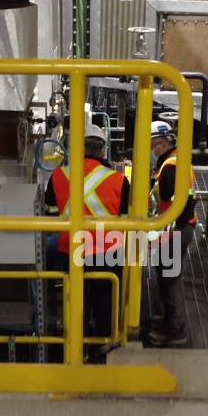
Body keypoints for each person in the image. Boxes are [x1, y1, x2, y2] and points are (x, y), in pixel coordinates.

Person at [45, 123, 131, 360]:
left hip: (71, 250)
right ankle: (104, 341)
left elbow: (50, 210)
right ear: (103, 151)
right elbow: (126, 220)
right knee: (106, 298)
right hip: (107, 253)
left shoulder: (58, 176)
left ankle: (77, 346)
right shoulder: (119, 180)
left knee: (75, 298)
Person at [148, 120, 196, 347]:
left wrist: (170, 231)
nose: (152, 151)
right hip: (178, 227)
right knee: (165, 275)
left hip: (177, 228)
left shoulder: (171, 167)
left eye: (153, 145)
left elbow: (178, 201)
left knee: (170, 280)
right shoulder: (175, 161)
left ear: (162, 143)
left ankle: (176, 332)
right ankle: (166, 322)